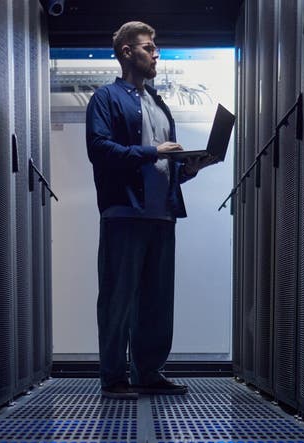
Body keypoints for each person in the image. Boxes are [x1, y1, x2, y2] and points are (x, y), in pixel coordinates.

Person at [86, 20, 215, 399]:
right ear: (127, 52)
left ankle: (148, 372)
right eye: (148, 47)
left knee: (157, 301)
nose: (156, 54)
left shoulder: (158, 105)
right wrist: (153, 151)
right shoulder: (107, 99)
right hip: (124, 214)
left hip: (161, 216)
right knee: (118, 299)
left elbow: (162, 168)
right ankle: (114, 378)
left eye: (155, 47)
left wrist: (187, 169)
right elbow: (100, 149)